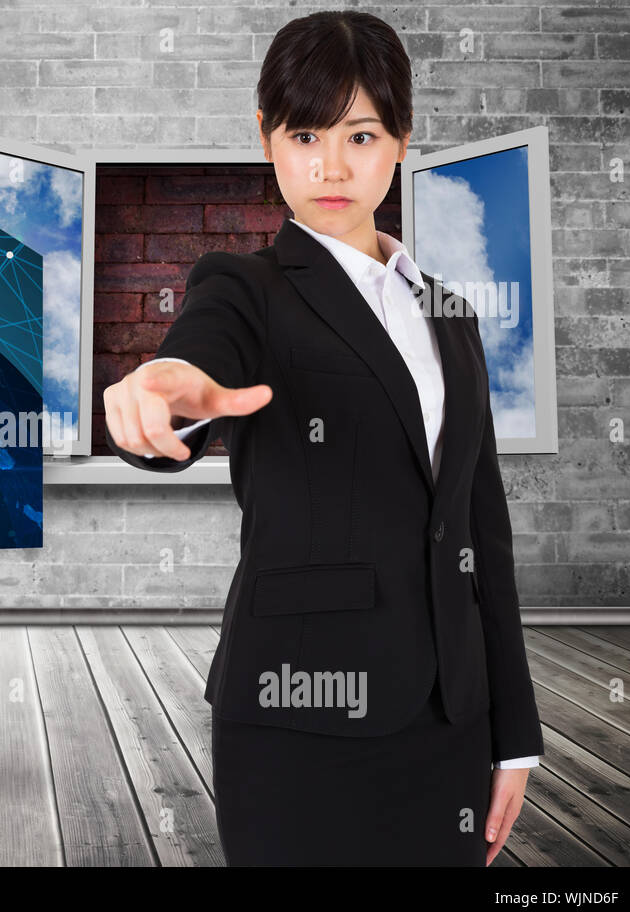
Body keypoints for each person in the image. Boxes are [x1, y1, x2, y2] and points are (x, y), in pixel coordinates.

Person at [103, 10, 543, 866]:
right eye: (305, 133)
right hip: (296, 718)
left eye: (361, 133)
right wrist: (169, 391)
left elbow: (482, 530)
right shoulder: (245, 288)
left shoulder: (450, 315)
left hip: (450, 724)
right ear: (265, 136)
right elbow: (196, 358)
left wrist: (512, 735)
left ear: (402, 140)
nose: (331, 166)